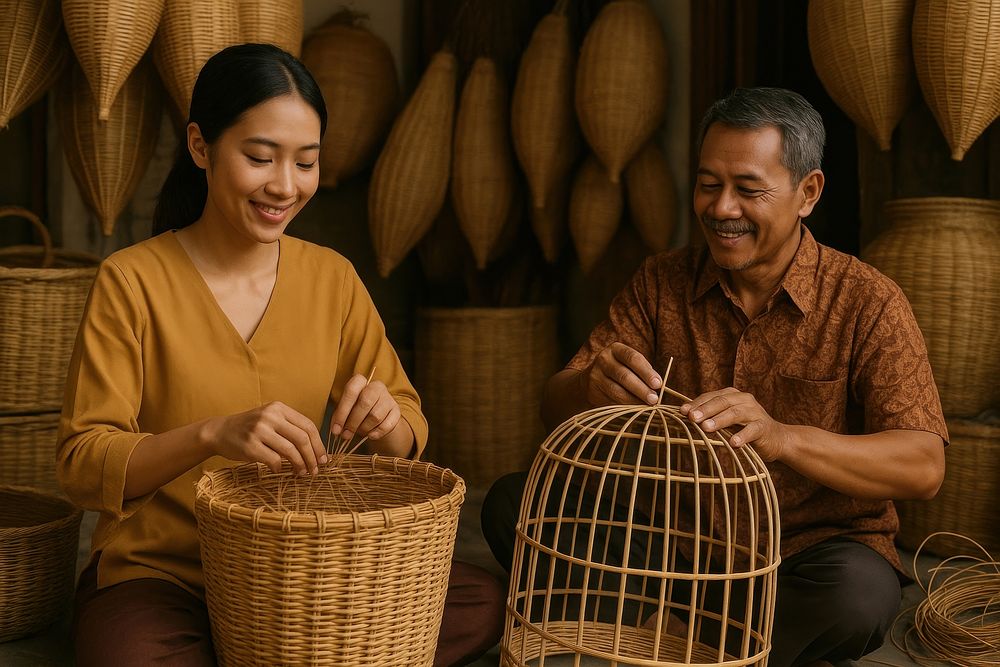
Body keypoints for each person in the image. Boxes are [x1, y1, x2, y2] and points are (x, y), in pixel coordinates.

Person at [57, 43, 504, 667]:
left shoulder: (333, 278)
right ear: (200, 146)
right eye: (260, 158)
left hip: (304, 569)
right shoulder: (131, 281)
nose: (285, 186)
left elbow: (407, 430)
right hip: (166, 573)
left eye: (307, 163)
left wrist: (385, 421)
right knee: (129, 653)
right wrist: (213, 434)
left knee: (477, 602)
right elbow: (82, 463)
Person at [481, 87, 947, 667]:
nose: (722, 208)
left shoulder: (868, 301)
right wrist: (589, 387)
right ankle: (714, 639)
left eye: (749, 190)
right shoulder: (661, 281)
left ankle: (664, 638)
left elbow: (924, 464)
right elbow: (556, 403)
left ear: (809, 193)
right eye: (708, 184)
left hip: (801, 555)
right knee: (513, 503)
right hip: (669, 550)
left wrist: (784, 437)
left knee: (858, 597)